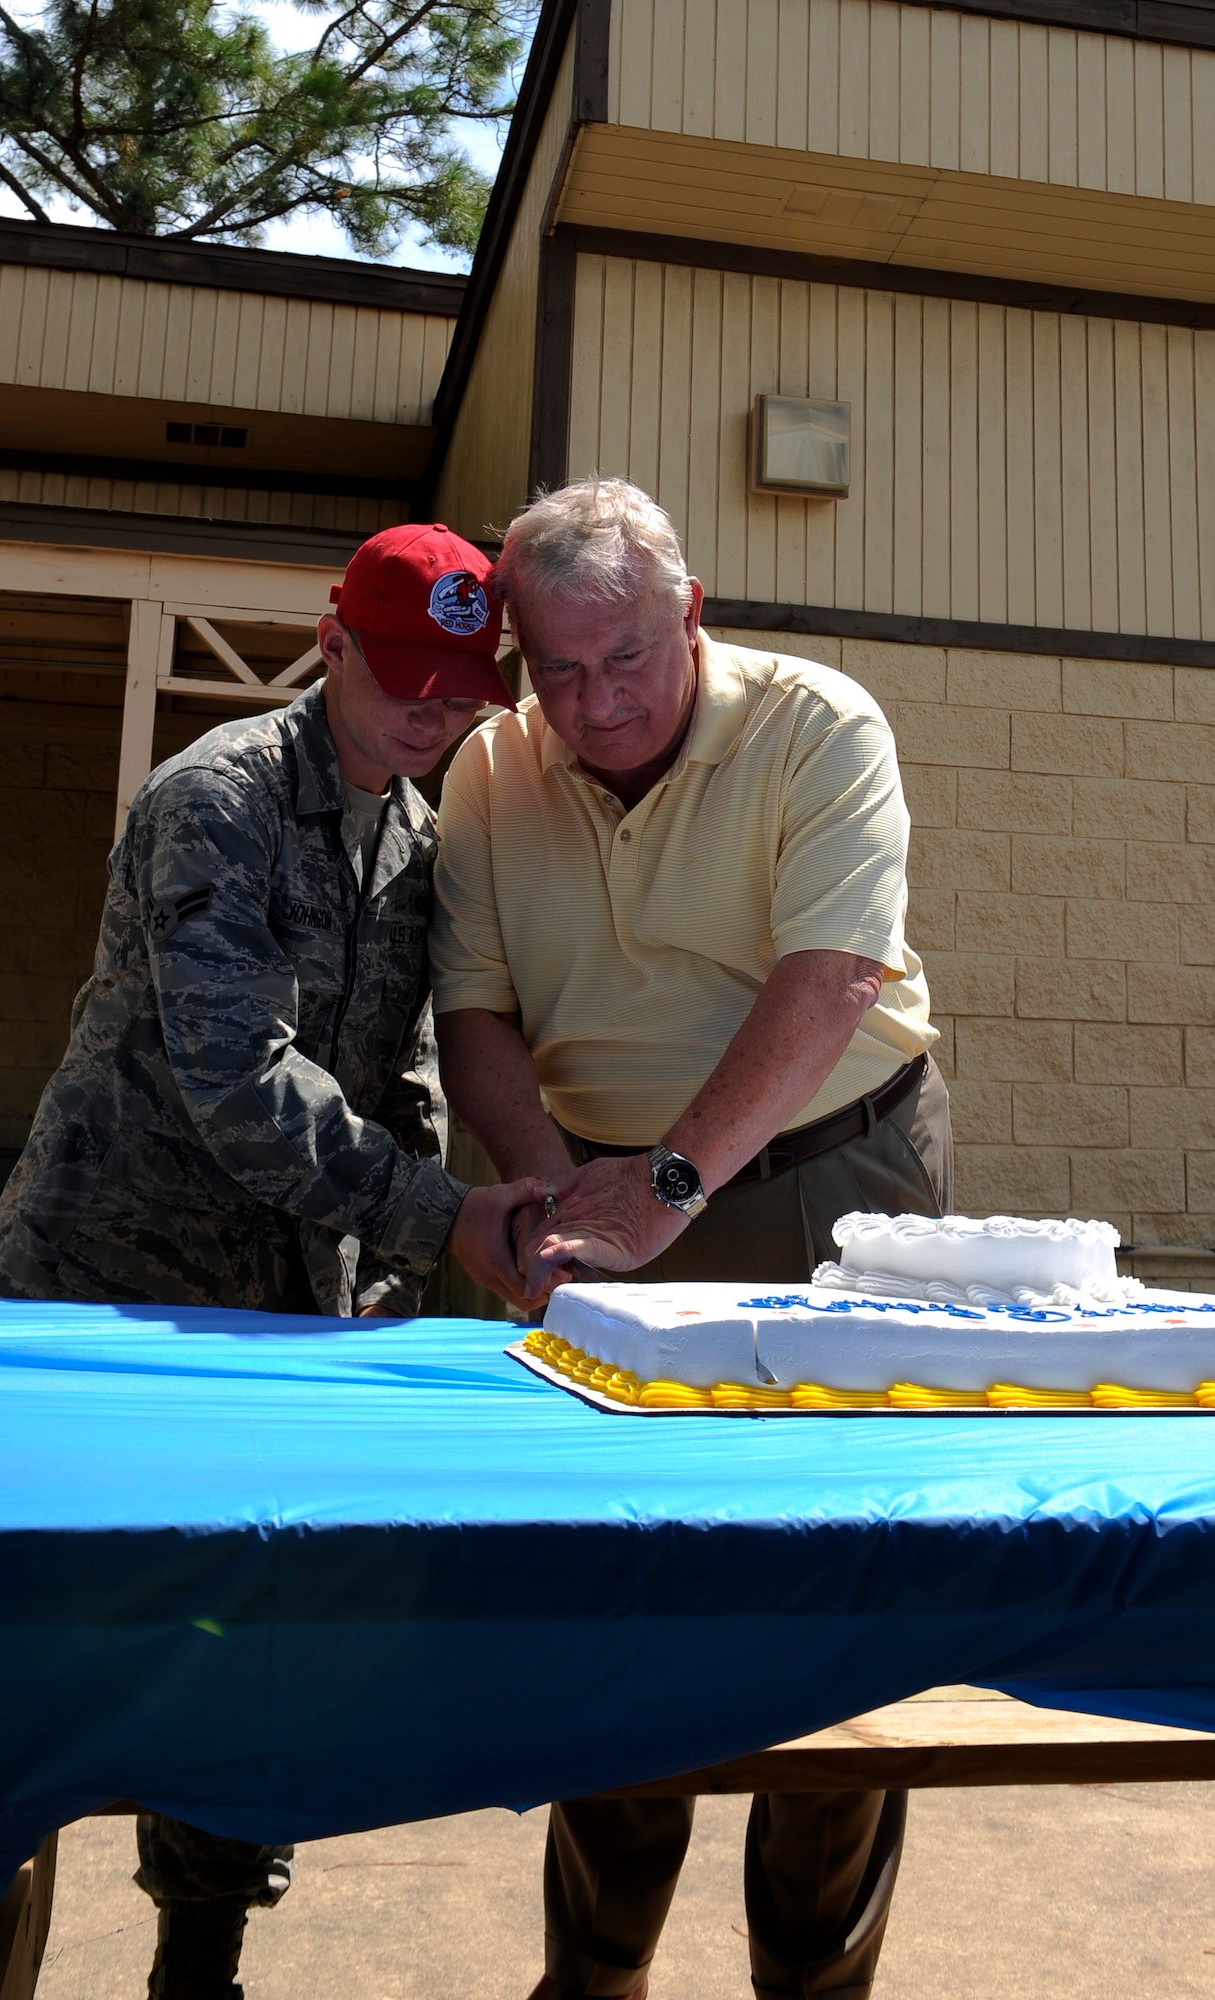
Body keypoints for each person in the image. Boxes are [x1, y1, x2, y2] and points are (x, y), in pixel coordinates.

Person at [0, 521, 543, 2000]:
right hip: (99, 1311)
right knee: (19, 1669)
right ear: (330, 642)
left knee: (241, 1669)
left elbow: (407, 1068)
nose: (430, 713)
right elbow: (239, 1078)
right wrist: (441, 1215)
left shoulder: (415, 836)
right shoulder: (214, 797)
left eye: (458, 688)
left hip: (277, 1328)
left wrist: (394, 1299)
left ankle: (198, 1965)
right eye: (403, 676)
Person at [429, 478, 951, 2000]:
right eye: (558, 670)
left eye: (630, 658)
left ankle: (813, 1975)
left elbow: (837, 973)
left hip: (828, 1171)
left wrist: (666, 1187)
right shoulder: (486, 772)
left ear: (695, 612)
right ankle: (598, 1973)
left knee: (842, 1587)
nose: (595, 703)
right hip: (599, 1194)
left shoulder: (819, 723)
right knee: (621, 1583)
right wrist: (541, 1196)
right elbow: (476, 1009)